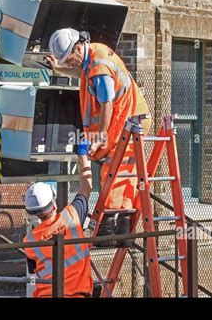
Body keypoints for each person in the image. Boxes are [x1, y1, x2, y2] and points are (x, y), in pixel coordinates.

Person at [46, 28, 151, 210]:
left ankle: (114, 220)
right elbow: (82, 74)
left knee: (116, 174)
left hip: (131, 122)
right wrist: (59, 68)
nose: (70, 64)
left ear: (77, 49)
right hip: (127, 121)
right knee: (116, 174)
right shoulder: (93, 57)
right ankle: (117, 220)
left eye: (69, 60)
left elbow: (107, 104)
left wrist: (100, 137)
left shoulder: (100, 67)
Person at [23, 140, 93, 298]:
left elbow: (34, 271)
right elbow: (86, 186)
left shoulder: (29, 241)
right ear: (53, 204)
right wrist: (82, 154)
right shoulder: (72, 216)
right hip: (77, 294)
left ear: (32, 212)